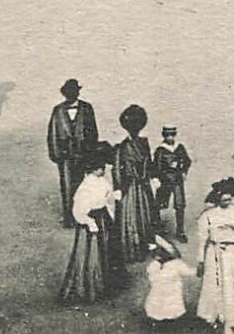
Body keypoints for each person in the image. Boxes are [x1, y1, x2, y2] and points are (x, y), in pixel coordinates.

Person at [59, 142, 121, 304]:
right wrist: (89, 222)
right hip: (92, 221)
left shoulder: (101, 181)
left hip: (103, 218)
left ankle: (107, 284)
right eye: (101, 168)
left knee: (106, 250)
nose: (103, 170)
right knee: (92, 254)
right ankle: (92, 287)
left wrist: (113, 198)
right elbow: (79, 210)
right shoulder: (86, 186)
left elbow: (106, 196)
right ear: (93, 169)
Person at [195, 177, 234, 334]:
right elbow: (202, 239)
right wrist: (201, 260)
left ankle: (232, 319)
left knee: (232, 283)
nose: (227, 201)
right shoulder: (207, 215)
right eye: (223, 198)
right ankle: (215, 316)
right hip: (213, 253)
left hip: (232, 253)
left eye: (229, 198)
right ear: (217, 198)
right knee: (214, 283)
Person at [48, 79, 101, 227]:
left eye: (74, 92)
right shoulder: (58, 110)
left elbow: (93, 132)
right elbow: (53, 133)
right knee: (66, 186)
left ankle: (83, 215)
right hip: (65, 156)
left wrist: (91, 153)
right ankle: (68, 217)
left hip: (83, 154)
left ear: (78, 92)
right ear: (64, 94)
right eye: (68, 93)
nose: (71, 95)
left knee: (83, 185)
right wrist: (56, 155)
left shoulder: (86, 108)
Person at [113, 104, 160, 264]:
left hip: (143, 186)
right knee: (131, 216)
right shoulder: (122, 147)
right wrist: (118, 188)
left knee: (145, 214)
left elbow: (149, 163)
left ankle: (145, 245)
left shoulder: (144, 143)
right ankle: (133, 249)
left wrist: (153, 177)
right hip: (130, 187)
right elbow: (117, 169)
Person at [144, 234, 195, 325]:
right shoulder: (176, 264)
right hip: (171, 292)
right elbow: (188, 271)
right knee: (170, 302)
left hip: (159, 292)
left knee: (158, 301)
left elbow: (150, 276)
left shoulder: (154, 265)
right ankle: (169, 318)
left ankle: (157, 317)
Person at [153, 125, 193, 241]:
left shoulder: (179, 147)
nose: (170, 138)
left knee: (180, 205)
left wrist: (183, 170)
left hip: (177, 180)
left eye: (172, 135)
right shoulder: (160, 150)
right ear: (164, 136)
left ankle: (180, 231)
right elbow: (156, 166)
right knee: (160, 204)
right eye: (167, 135)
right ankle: (158, 228)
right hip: (165, 180)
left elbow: (187, 161)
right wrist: (157, 178)